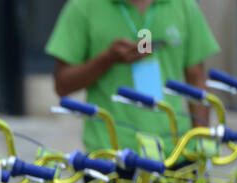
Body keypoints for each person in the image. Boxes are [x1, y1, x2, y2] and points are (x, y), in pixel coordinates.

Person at [44, 0, 220, 156]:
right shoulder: (83, 6)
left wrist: (203, 142)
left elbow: (197, 79)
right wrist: (107, 59)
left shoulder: (183, 5)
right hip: (110, 155)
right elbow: (62, 85)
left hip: (176, 152)